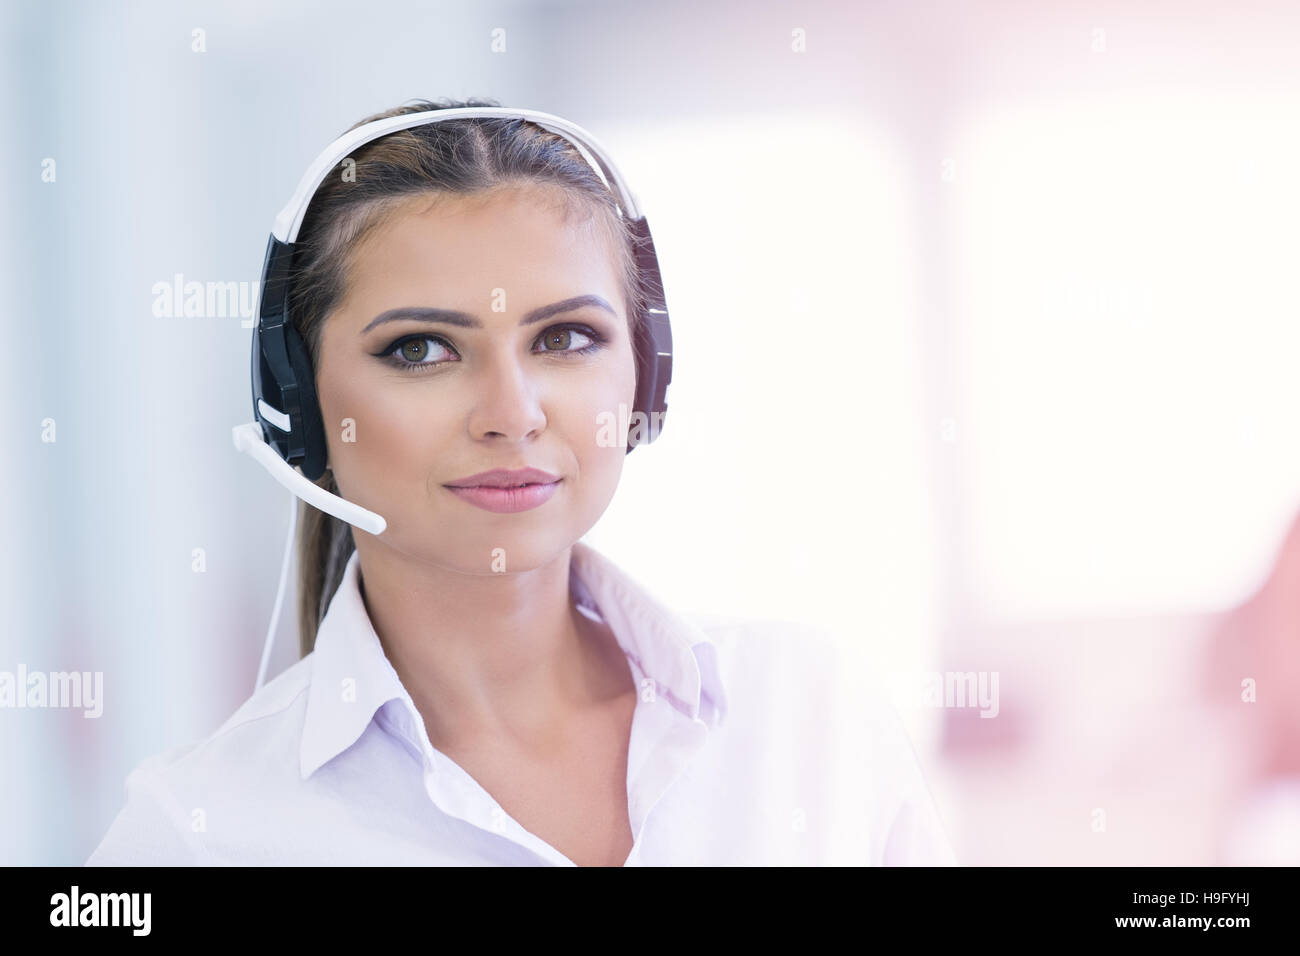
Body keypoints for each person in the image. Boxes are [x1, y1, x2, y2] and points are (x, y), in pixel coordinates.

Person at [85, 98, 956, 866]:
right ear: (297, 404)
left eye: (565, 338)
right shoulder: (200, 831)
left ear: (646, 376)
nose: (512, 412)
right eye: (420, 349)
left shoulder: (810, 714)